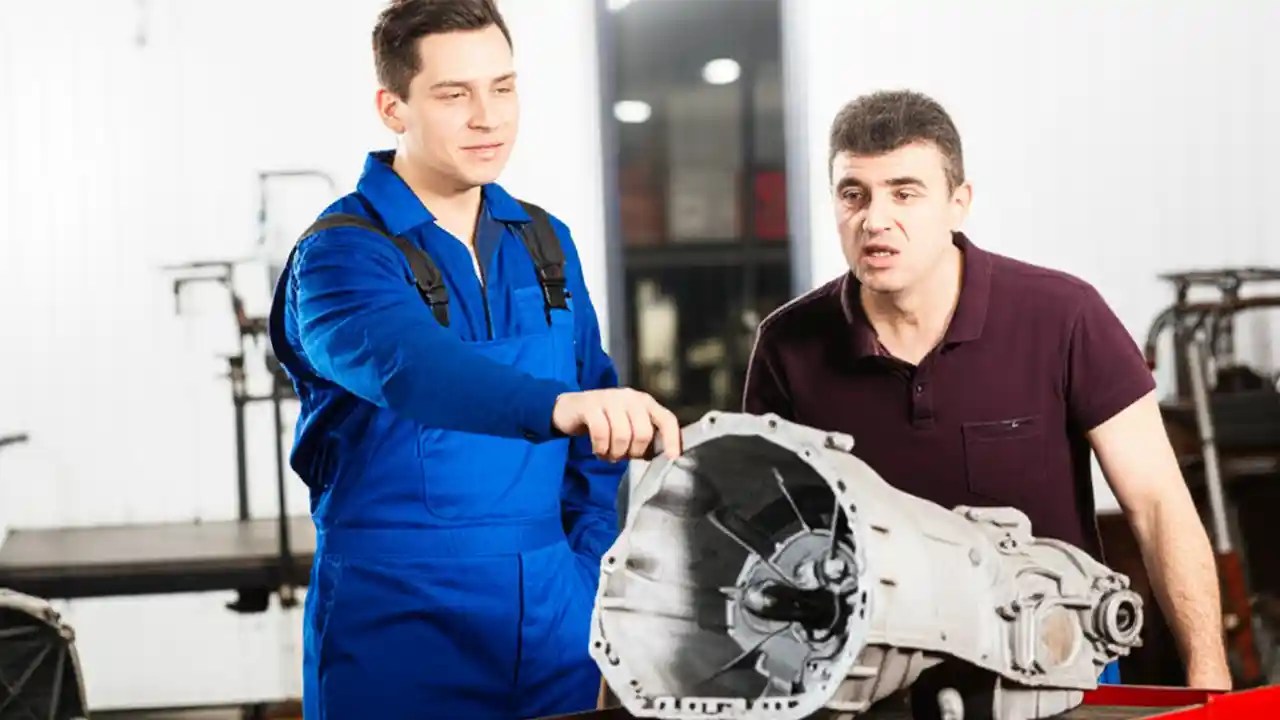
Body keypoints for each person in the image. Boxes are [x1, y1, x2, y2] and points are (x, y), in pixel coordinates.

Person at [267, 1, 682, 717]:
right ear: (392, 107)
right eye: (454, 94)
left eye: (503, 87)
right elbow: (412, 367)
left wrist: (582, 567)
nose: (488, 117)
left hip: (552, 624)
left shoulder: (545, 243)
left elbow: (597, 431)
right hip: (397, 630)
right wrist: (557, 408)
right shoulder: (338, 256)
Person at [742, 89, 1231, 690]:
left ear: (958, 203)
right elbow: (769, 541)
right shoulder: (787, 345)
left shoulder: (1063, 315)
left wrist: (1210, 681)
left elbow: (1157, 507)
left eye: (905, 192)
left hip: (1055, 667)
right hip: (868, 680)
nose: (875, 219)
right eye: (853, 194)